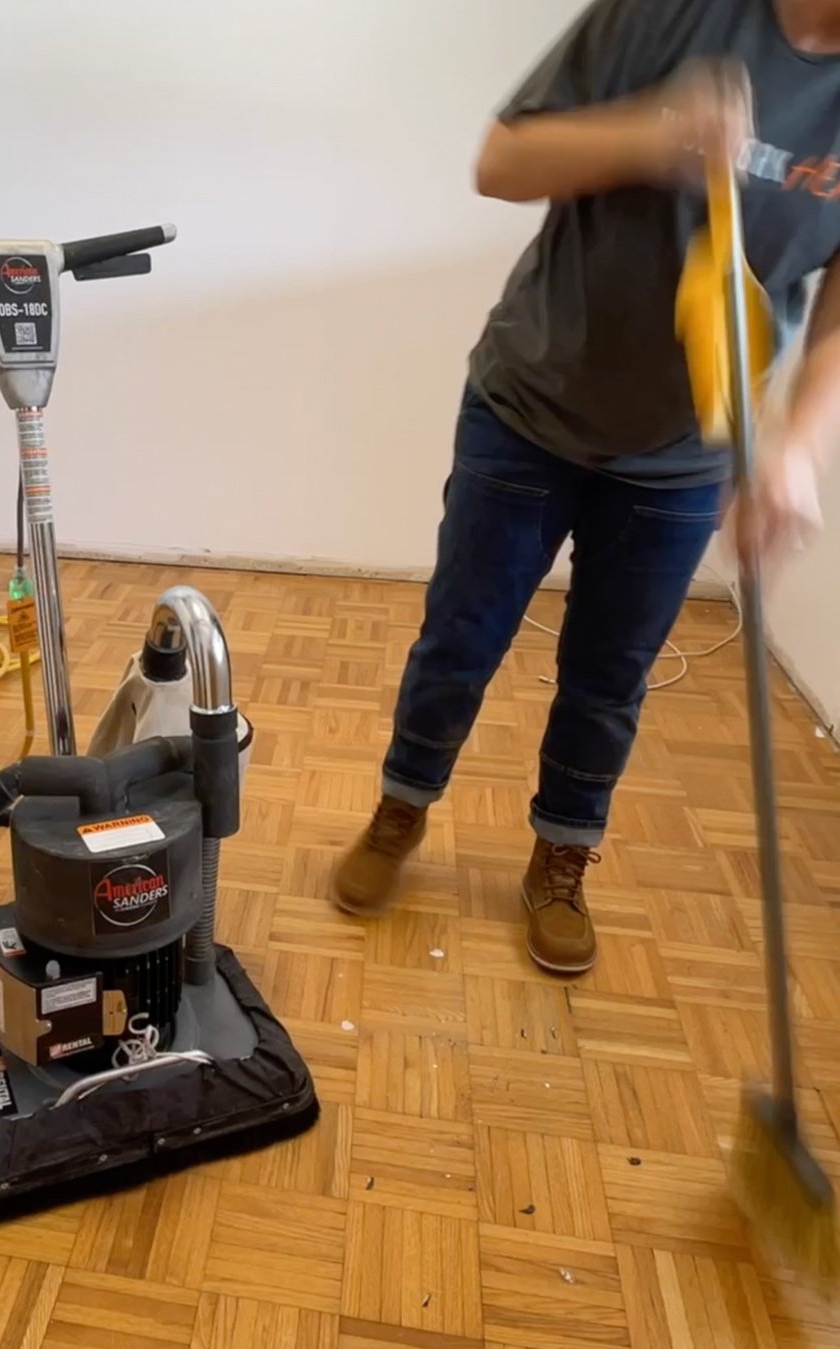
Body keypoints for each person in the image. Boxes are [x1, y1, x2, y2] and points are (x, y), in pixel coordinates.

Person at [332, 0, 836, 973]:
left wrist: (798, 447)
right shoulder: (668, 14)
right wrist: (651, 133)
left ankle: (560, 854)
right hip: (528, 405)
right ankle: (401, 805)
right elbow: (500, 164)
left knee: (608, 678)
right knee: (459, 640)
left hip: (683, 450)